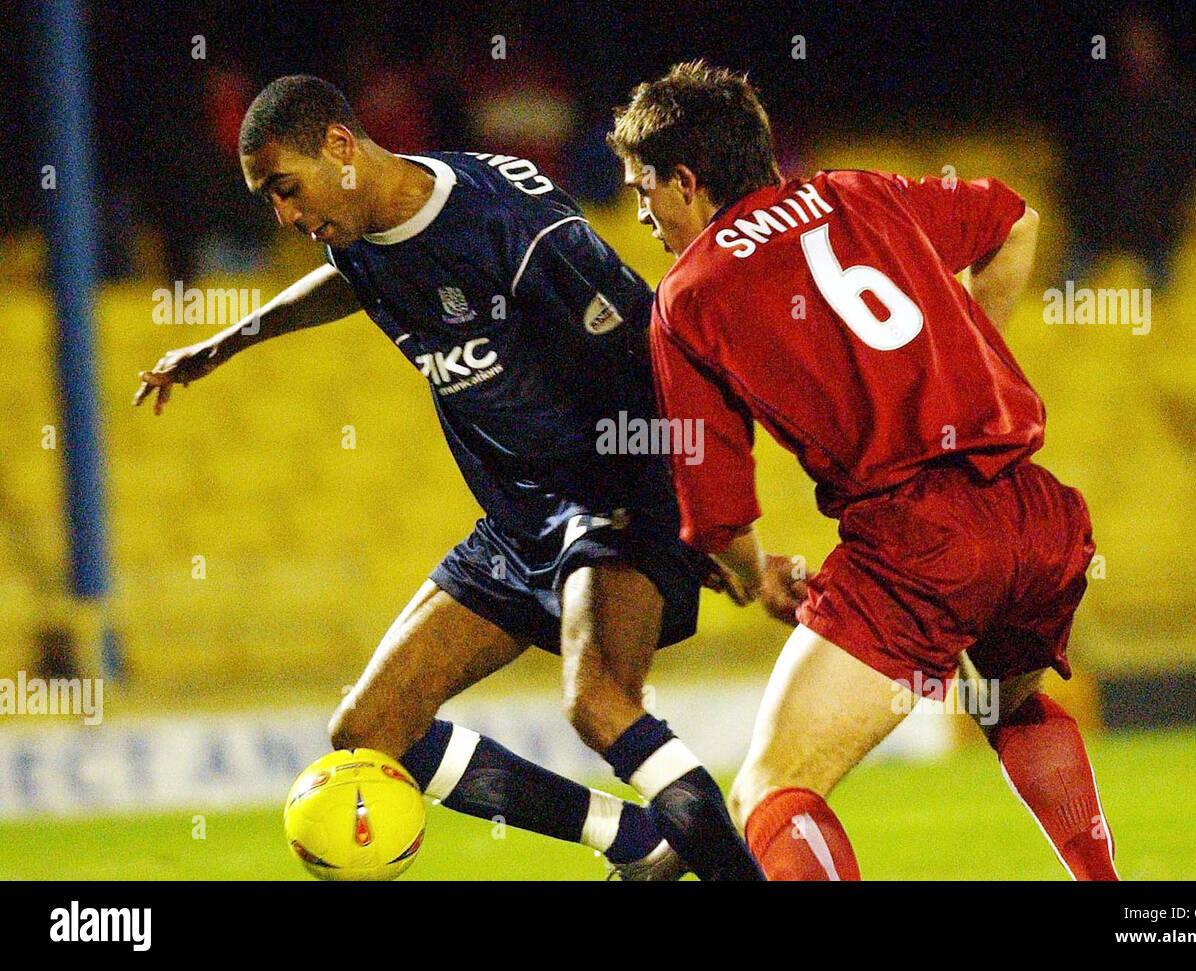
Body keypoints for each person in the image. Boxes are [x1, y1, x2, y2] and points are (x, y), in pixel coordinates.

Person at [134, 74, 763, 881]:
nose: (285, 215)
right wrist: (226, 342)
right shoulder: (355, 231)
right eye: (270, 200)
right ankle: (638, 838)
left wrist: (700, 510)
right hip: (518, 521)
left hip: (614, 489)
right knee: (371, 728)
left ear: (339, 146)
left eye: (285, 189)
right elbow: (350, 280)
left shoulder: (511, 223)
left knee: (599, 698)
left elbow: (651, 344)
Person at [608, 61, 1119, 880]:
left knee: (774, 789)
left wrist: (754, 576)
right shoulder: (860, 193)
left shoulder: (690, 294)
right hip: (1032, 512)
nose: (641, 211)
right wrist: (974, 355)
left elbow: (719, 518)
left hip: (918, 545)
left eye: (644, 188)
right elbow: (1016, 220)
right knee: (1005, 702)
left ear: (687, 182)